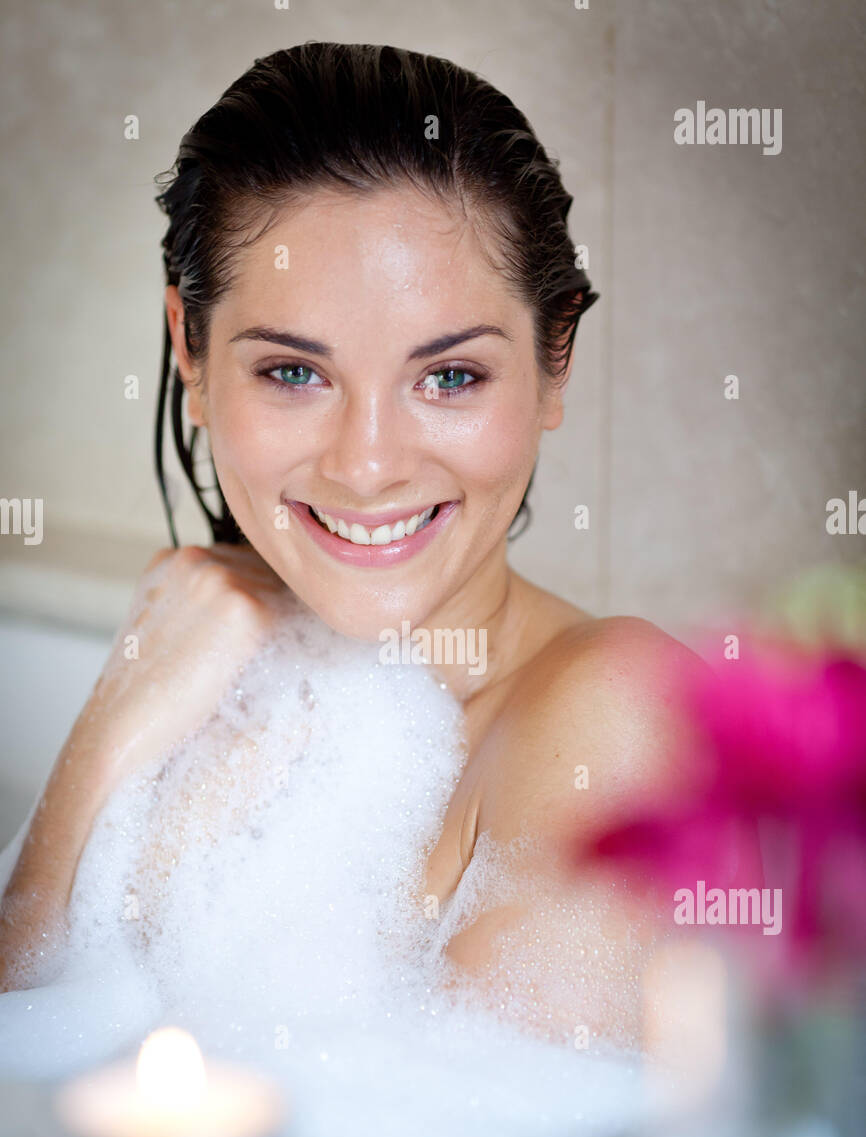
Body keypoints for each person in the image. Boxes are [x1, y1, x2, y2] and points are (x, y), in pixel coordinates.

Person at [0, 43, 703, 1048]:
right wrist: (105, 737)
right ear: (190, 356)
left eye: (448, 376)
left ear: (554, 365)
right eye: (293, 372)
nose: (366, 464)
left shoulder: (619, 715)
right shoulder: (220, 663)